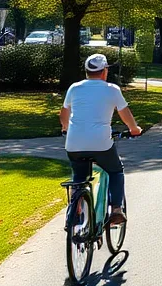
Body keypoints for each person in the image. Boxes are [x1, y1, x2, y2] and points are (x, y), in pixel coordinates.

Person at [61, 53, 143, 226]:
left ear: (86, 72)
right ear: (104, 71)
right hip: (101, 143)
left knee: (79, 175)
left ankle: (76, 209)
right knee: (115, 171)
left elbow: (64, 114)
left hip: (74, 143)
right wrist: (133, 129)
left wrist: (65, 129)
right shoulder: (112, 89)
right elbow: (125, 113)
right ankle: (116, 210)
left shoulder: (74, 88)